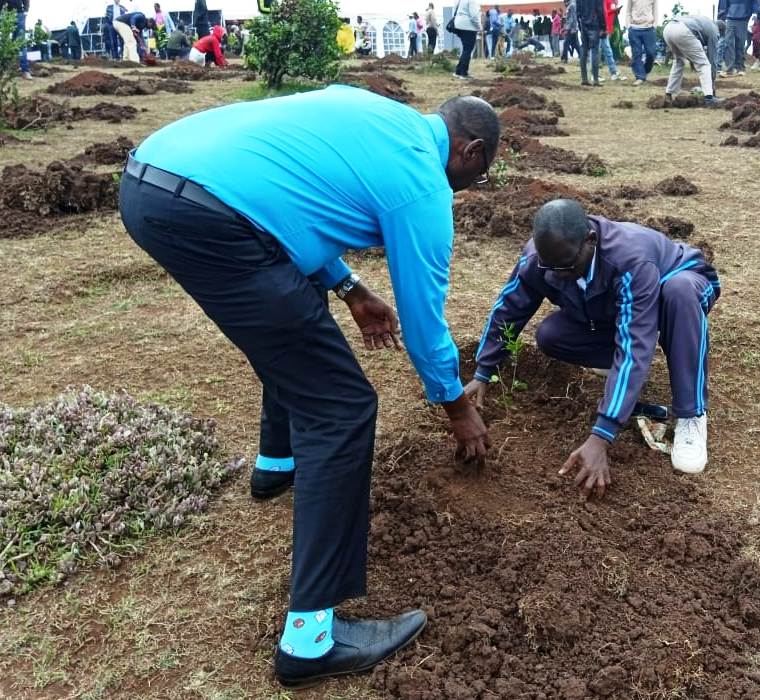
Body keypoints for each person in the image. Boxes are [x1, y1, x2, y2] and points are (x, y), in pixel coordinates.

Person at [120, 86, 496, 687]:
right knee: (342, 407)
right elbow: (425, 321)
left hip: (152, 178)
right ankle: (310, 641)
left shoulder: (379, 116)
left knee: (293, 321)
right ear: (471, 153)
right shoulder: (424, 183)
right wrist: (455, 406)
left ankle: (277, 463)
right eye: (474, 180)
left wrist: (350, 289)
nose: (464, 190)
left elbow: (286, 204)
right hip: (210, 212)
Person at [465, 199, 720, 493]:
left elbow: (636, 344)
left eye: (567, 266)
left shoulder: (630, 259)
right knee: (551, 334)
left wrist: (602, 435)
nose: (558, 275)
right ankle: (621, 380)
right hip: (617, 303)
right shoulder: (540, 257)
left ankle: (691, 415)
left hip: (678, 280)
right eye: (551, 268)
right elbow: (510, 307)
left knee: (678, 294)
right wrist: (484, 370)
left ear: (591, 240)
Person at [663, 16, 724, 107]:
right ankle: (709, 98)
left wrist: (693, 61)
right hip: (683, 30)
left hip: (668, 29)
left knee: (679, 62)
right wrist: (712, 84)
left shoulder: (705, 22)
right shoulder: (714, 32)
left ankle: (668, 94)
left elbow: (693, 45)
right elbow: (712, 59)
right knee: (704, 64)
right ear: (720, 31)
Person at [623, 0, 658, 85]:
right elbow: (628, 11)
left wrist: (654, 25)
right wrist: (628, 26)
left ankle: (644, 72)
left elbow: (655, 11)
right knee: (636, 54)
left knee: (651, 53)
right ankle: (639, 77)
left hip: (649, 28)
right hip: (634, 28)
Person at [717, 0, 755, 76]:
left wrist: (754, 14)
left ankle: (740, 67)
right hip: (730, 18)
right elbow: (723, 4)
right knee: (728, 43)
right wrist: (721, 17)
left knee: (740, 43)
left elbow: (755, 2)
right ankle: (729, 69)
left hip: (744, 18)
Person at [577, 0, 604, 86]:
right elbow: (600, 10)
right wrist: (603, 26)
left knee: (584, 51)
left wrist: (580, 25)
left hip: (583, 24)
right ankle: (595, 80)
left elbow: (577, 12)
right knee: (595, 51)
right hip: (594, 24)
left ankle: (584, 79)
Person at [452, 0, 481, 79]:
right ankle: (463, 73)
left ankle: (458, 71)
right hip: (468, 26)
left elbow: (454, 11)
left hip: (459, 25)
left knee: (465, 49)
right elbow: (474, 15)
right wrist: (479, 27)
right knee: (468, 50)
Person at [600, 0, 627, 81]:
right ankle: (594, 74)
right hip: (603, 27)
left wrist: (617, 10)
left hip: (609, 27)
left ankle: (613, 73)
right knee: (598, 50)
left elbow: (613, 14)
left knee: (607, 50)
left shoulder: (614, 1)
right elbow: (603, 12)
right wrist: (614, 10)